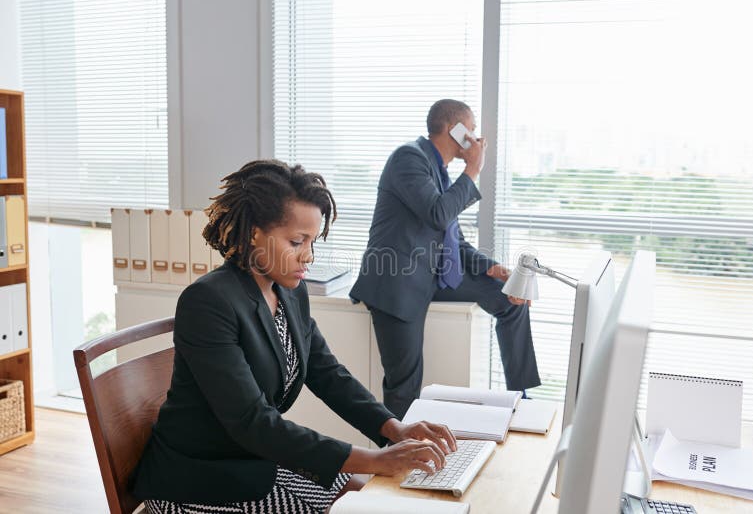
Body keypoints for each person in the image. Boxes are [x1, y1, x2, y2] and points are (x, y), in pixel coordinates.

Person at [132, 160, 456, 514]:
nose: (309, 255)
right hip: (202, 479)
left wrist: (394, 428)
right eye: (296, 241)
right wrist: (376, 459)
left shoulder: (289, 291)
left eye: (312, 241)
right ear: (255, 233)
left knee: (370, 498)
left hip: (256, 458)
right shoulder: (209, 302)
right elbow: (251, 421)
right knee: (362, 500)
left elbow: (328, 374)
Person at [350, 99, 541, 419]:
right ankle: (395, 459)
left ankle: (520, 398)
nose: (477, 140)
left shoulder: (439, 174)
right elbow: (438, 214)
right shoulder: (408, 158)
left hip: (431, 277)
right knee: (404, 386)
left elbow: (454, 239)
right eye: (473, 131)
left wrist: (491, 268)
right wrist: (473, 169)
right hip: (397, 283)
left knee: (510, 298)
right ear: (457, 131)